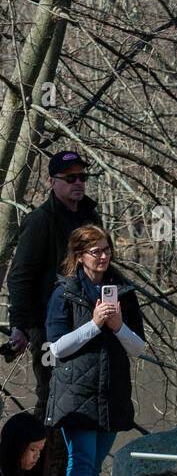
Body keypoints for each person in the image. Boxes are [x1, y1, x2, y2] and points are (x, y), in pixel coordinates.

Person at [45, 225, 146, 476]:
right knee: (82, 461)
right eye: (95, 251)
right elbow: (56, 348)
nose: (103, 257)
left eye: (106, 250)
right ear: (79, 256)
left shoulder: (124, 291)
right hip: (76, 391)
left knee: (95, 463)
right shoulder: (64, 292)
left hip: (112, 390)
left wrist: (117, 326)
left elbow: (139, 347)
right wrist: (94, 324)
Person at [5, 151, 104, 430]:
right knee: (50, 399)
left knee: (84, 398)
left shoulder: (91, 216)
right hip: (49, 326)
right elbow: (20, 276)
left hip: (89, 322)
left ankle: (70, 467)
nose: (78, 183)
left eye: (82, 177)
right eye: (70, 177)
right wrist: (20, 327)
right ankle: (35, 464)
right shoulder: (40, 221)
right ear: (52, 181)